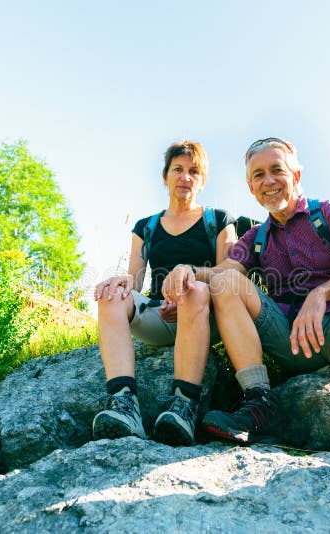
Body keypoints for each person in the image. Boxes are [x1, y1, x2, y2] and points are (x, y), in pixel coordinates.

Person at [161, 137, 330, 484]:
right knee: (225, 283)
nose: (269, 181)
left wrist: (322, 293)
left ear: (296, 174)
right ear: (251, 186)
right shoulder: (256, 237)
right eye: (259, 175)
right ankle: (258, 401)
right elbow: (223, 272)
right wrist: (189, 270)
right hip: (286, 338)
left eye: (277, 170)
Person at [92, 140, 237, 447]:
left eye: (194, 171)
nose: (185, 177)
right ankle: (124, 403)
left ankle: (184, 407)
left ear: (203, 179)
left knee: (195, 291)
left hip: (201, 313)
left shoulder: (220, 220)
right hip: (159, 314)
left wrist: (188, 291)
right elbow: (135, 280)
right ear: (165, 176)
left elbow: (231, 274)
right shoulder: (146, 227)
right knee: (112, 295)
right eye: (178, 169)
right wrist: (119, 281)